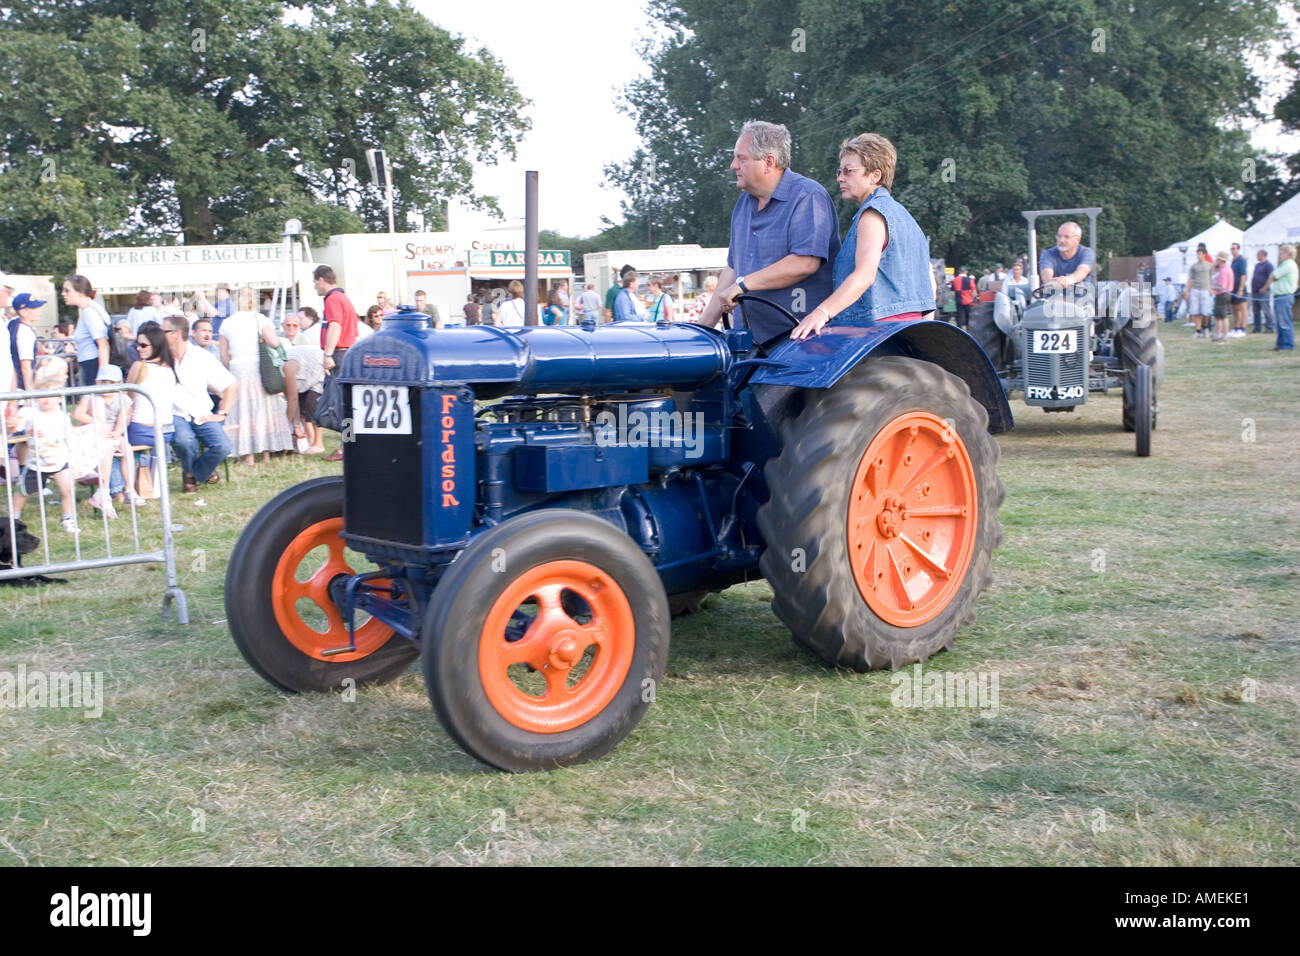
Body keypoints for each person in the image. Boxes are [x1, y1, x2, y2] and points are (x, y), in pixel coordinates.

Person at [698, 120, 841, 349]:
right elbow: (733, 270)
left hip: (800, 341)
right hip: (749, 342)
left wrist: (743, 285)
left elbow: (805, 262)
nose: (733, 165)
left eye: (741, 158)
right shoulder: (743, 204)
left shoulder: (808, 196)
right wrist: (702, 330)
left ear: (769, 162)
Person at [791, 133, 935, 339]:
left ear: (875, 176)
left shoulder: (872, 215)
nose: (840, 178)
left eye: (849, 171)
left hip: (875, 334)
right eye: (839, 171)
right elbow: (929, 284)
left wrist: (820, 314)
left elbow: (864, 276)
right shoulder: (907, 220)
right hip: (908, 333)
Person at [163, 314, 236, 493]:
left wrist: (223, 412)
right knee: (184, 441)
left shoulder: (201, 356)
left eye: (163, 331)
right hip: (173, 412)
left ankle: (192, 474)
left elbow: (231, 384)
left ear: (176, 334)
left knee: (223, 446)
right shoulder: (159, 358)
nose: (159, 335)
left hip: (201, 411)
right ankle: (198, 474)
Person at [219, 286, 292, 464]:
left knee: (242, 411)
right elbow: (274, 342)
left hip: (237, 369)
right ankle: (265, 451)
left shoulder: (227, 323)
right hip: (259, 368)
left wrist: (231, 368)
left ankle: (247, 454)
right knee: (263, 409)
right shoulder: (260, 319)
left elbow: (223, 354)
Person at [72, 362, 144, 508]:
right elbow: (78, 414)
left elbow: (123, 418)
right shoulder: (91, 395)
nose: (107, 386)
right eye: (103, 382)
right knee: (108, 448)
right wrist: (97, 424)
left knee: (127, 448)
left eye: (111, 382)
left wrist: (117, 432)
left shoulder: (122, 399)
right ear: (97, 382)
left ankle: (130, 489)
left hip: (111, 433)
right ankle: (104, 491)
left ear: (119, 383)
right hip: (91, 433)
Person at [314, 265, 359, 462]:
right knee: (346, 403)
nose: (315, 287)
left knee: (338, 403)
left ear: (322, 280)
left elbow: (335, 325)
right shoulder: (344, 298)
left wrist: (328, 354)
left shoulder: (332, 299)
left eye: (315, 282)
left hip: (339, 354)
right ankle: (348, 445)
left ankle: (346, 447)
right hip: (347, 353)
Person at [125, 322, 178, 459]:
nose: (138, 348)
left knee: (115, 443)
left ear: (156, 345)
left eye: (143, 345)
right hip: (167, 431)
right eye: (137, 344)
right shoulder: (171, 367)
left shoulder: (139, 366)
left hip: (142, 431)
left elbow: (126, 397)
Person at [62, 274, 110, 386]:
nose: (63, 294)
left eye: (67, 290)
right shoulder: (90, 310)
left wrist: (102, 375)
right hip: (91, 363)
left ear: (80, 292)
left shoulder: (90, 312)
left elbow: (103, 345)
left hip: (92, 366)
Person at [283, 333, 326, 456]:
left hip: (316, 365)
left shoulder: (287, 367)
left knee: (311, 405)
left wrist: (285, 427)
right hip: (302, 372)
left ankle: (318, 443)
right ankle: (310, 441)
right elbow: (294, 402)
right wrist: (295, 425)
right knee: (302, 407)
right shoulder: (280, 372)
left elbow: (292, 399)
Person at [1038, 221, 1095, 295]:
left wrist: (1068, 280)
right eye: (1059, 236)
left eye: (1067, 237)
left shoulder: (1086, 253)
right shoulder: (1048, 254)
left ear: (1077, 240)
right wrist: (1051, 282)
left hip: (1080, 300)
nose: (1061, 240)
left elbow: (1083, 271)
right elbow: (1046, 274)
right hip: (1053, 300)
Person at [1261, 243, 1296, 351]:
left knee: (1284, 321)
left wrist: (1264, 288)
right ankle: (1281, 344)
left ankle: (1287, 345)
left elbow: (1273, 276)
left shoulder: (1288, 264)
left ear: (1288, 254)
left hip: (1283, 297)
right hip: (1281, 297)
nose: (1279, 255)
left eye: (1282, 253)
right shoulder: (1285, 264)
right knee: (1280, 322)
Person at [8, 292, 42, 390]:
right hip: (20, 386)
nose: (39, 311)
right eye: (34, 308)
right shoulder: (25, 332)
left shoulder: (12, 324)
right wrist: (29, 395)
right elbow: (25, 366)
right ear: (23, 312)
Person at [1182, 250, 1214, 339]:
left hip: (1205, 290)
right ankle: (1198, 330)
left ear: (1204, 255)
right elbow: (1190, 279)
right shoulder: (1193, 266)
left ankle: (1206, 328)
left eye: (1200, 254)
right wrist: (1187, 291)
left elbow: (1211, 278)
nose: (1198, 255)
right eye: (1197, 253)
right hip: (1195, 290)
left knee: (1205, 312)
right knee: (1195, 312)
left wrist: (1211, 289)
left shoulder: (1209, 265)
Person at [1210, 251, 1234, 344]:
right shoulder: (1225, 269)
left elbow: (1222, 286)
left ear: (1220, 260)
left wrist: (1212, 287)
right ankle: (1220, 335)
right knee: (1220, 316)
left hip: (1222, 294)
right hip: (1225, 294)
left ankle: (1223, 336)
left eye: (1217, 259)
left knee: (1221, 316)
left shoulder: (1224, 271)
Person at [1250, 250, 1274, 334]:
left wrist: (1265, 287)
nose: (1257, 256)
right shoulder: (1257, 265)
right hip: (1255, 291)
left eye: (1258, 254)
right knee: (1256, 311)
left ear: (1262, 255)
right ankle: (1257, 327)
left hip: (1264, 291)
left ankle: (1269, 327)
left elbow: (1271, 278)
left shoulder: (1268, 265)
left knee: (1266, 309)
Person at [1230, 242, 1249, 338]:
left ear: (1238, 249)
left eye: (1234, 248)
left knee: (1243, 308)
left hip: (1239, 287)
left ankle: (1243, 329)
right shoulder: (1233, 260)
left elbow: (1243, 275)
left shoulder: (1242, 260)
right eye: (1231, 248)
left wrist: (1241, 289)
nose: (1232, 250)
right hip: (1233, 288)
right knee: (1235, 309)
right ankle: (1236, 328)